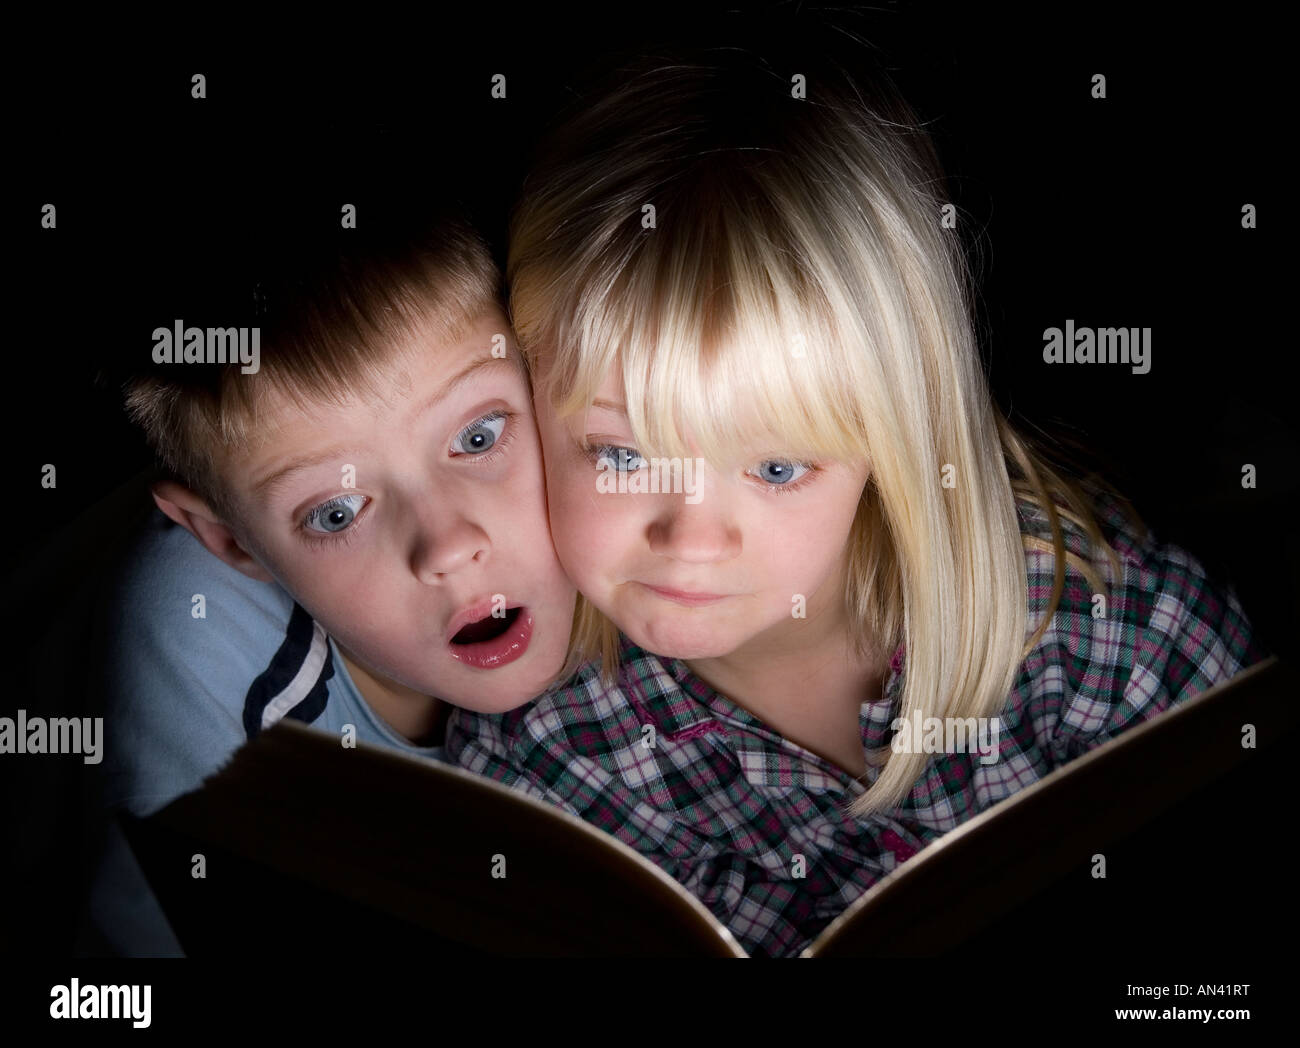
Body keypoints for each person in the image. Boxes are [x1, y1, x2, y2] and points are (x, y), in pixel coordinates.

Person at [445, 45, 1269, 957]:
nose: (691, 538)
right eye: (622, 454)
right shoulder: (541, 765)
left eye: (776, 469)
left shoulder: (1106, 638)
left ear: (889, 444)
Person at [77, 202, 577, 954]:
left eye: (478, 436)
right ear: (226, 538)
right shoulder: (195, 632)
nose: (445, 546)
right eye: (337, 512)